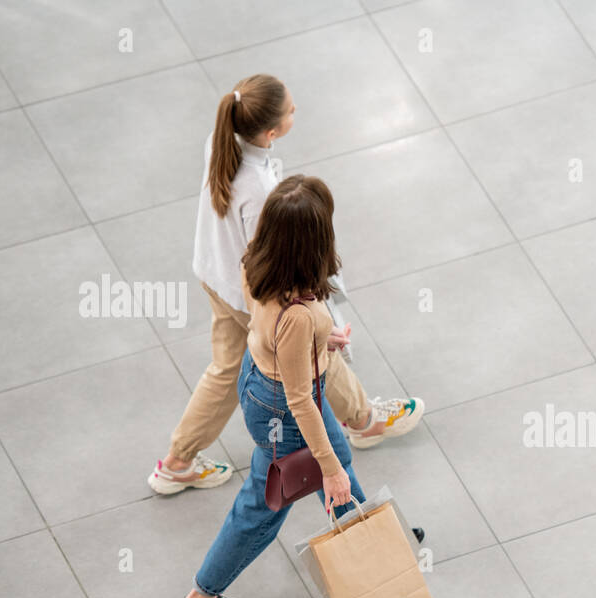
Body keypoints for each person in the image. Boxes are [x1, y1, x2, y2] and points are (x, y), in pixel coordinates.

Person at [149, 74, 423, 496]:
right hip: (249, 294)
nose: (297, 110)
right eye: (291, 109)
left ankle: (177, 462)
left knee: (226, 371)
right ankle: (364, 421)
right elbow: (271, 263)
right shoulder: (260, 192)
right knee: (313, 357)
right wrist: (312, 319)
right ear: (271, 131)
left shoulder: (219, 140)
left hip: (213, 273)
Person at [177, 176, 392, 598]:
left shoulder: (257, 261)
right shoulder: (296, 314)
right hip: (286, 409)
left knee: (338, 459)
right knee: (267, 503)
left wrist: (320, 340)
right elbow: (300, 399)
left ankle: (373, 541)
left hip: (259, 381)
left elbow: (267, 331)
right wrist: (328, 469)